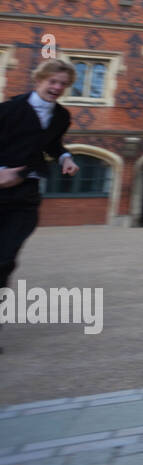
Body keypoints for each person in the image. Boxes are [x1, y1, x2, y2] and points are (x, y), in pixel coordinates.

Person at [0, 59, 80, 344]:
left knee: (5, 261)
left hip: (26, 195)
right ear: (39, 80)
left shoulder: (61, 116)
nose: (57, 88)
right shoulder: (8, 110)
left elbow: (52, 143)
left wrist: (65, 157)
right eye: (53, 82)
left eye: (63, 84)